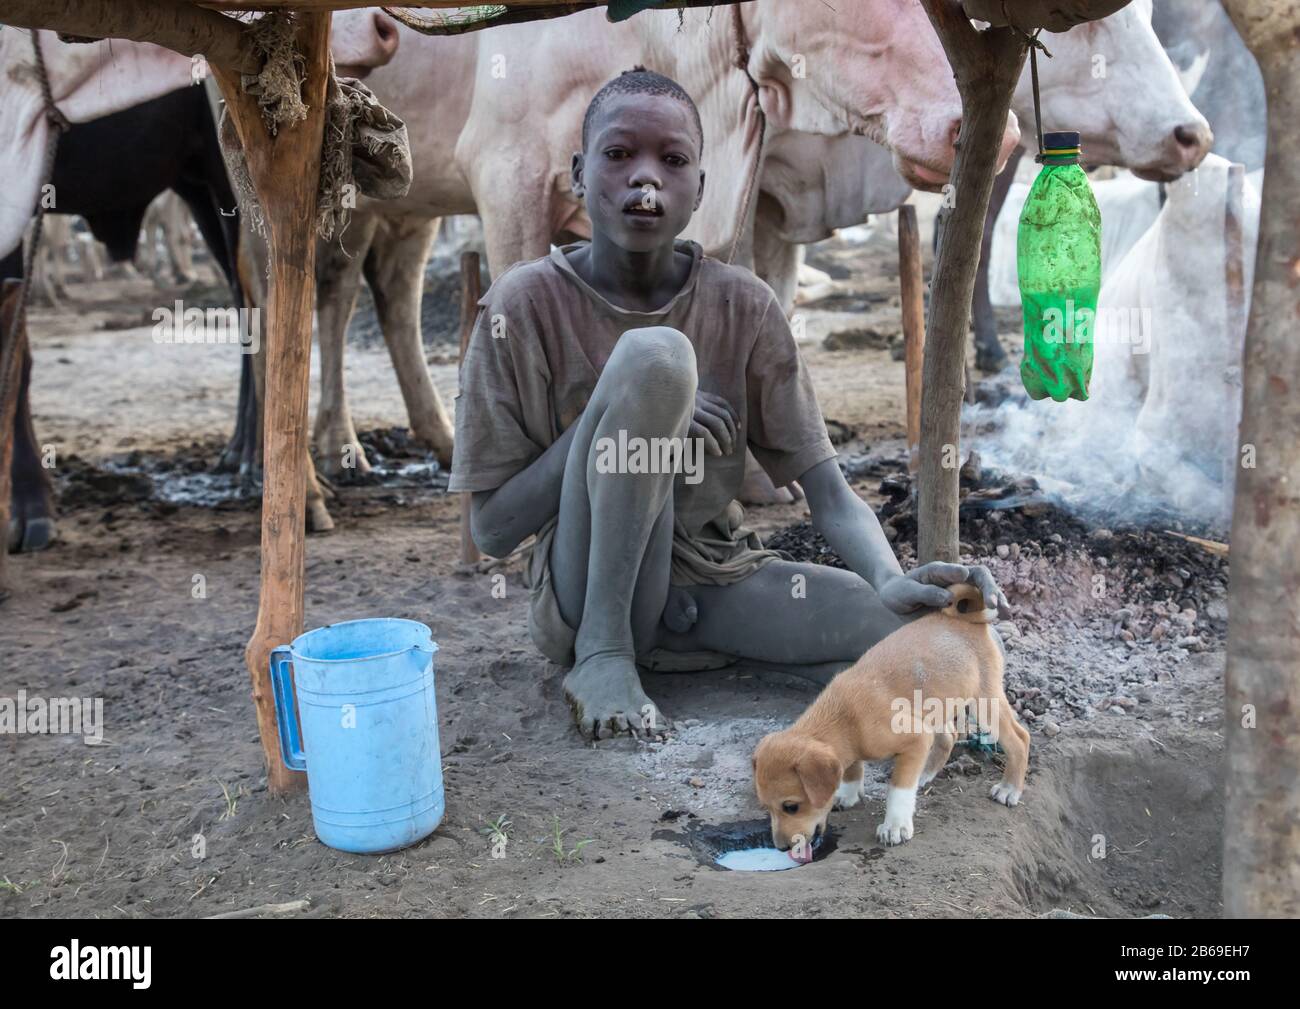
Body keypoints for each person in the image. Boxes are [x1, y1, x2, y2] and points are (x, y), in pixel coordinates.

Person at [449, 67, 1007, 740]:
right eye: (620, 154)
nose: (645, 179)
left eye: (673, 159)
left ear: (701, 189)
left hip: (712, 582)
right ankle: (604, 654)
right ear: (578, 173)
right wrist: (618, 411)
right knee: (656, 360)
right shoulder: (523, 305)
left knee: (936, 640)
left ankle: (740, 661)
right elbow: (492, 529)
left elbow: (827, 493)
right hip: (581, 587)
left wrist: (888, 578)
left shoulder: (742, 304)